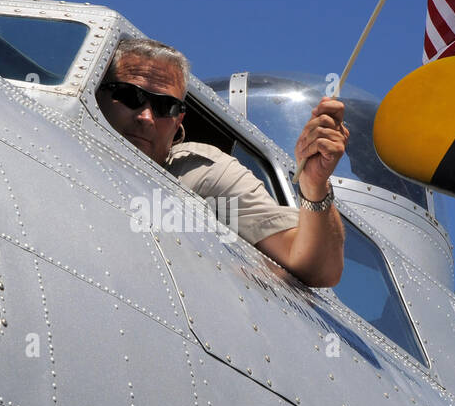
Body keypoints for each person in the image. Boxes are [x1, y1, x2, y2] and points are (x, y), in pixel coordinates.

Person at [96, 37, 346, 287]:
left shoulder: (204, 170)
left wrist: (314, 185)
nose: (146, 117)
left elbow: (318, 268)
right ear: (98, 93)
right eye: (129, 96)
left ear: (178, 120)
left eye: (165, 106)